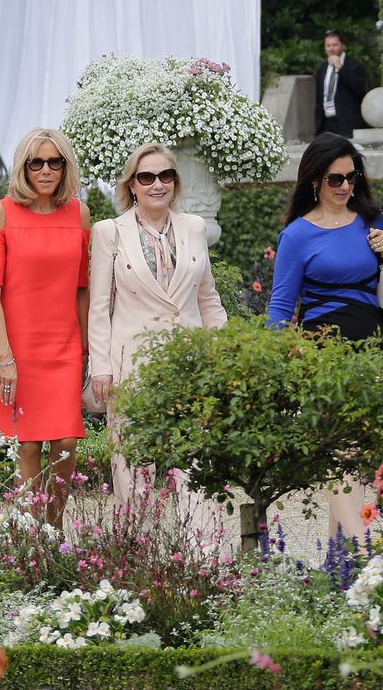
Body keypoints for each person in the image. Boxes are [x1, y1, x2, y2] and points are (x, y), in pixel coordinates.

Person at [266, 132, 383, 537]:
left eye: (352, 177)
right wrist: (275, 360)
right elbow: (281, 305)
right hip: (322, 350)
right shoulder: (297, 234)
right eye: (335, 179)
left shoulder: (373, 219)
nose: (345, 186)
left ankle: (338, 562)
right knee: (339, 453)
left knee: (359, 454)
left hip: (371, 344)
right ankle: (364, 550)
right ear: (315, 179)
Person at [87, 143, 227, 529]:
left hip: (191, 362)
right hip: (133, 363)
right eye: (146, 177)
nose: (157, 184)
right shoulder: (109, 232)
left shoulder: (194, 227)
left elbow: (208, 299)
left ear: (176, 182)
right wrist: (100, 367)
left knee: (197, 459)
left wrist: (223, 355)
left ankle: (203, 552)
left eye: (166, 175)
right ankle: (139, 555)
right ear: (132, 185)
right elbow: (99, 305)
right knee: (133, 466)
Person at [0, 128, 90, 527]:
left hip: (64, 344)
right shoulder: (1, 212)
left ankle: (55, 526)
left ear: (65, 167)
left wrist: (85, 349)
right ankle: (30, 539)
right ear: (23, 167)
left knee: (65, 442)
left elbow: (82, 287)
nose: (45, 170)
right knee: (27, 444)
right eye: (36, 162)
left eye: (54, 162)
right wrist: (5, 356)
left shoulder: (78, 213)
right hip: (19, 347)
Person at [314, 30, 368, 138]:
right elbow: (319, 97)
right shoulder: (322, 68)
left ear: (342, 46)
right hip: (326, 123)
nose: (331, 48)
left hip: (347, 123)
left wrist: (341, 69)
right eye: (328, 45)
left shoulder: (354, 66)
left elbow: (360, 88)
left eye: (335, 45)